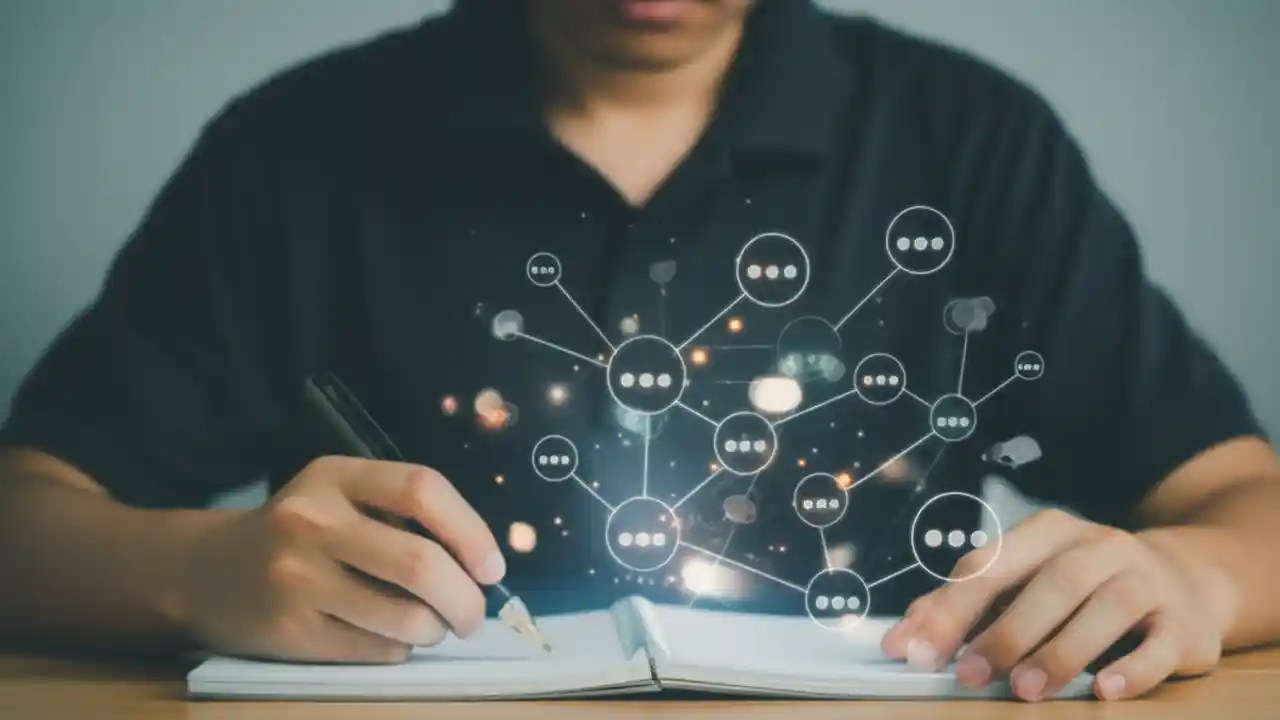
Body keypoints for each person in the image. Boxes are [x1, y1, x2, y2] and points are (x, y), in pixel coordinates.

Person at [1, 0, 1277, 703]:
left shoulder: (970, 138)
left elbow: (1244, 505)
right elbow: (24, 526)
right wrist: (196, 571)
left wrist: (1198, 582)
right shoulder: (294, 152)